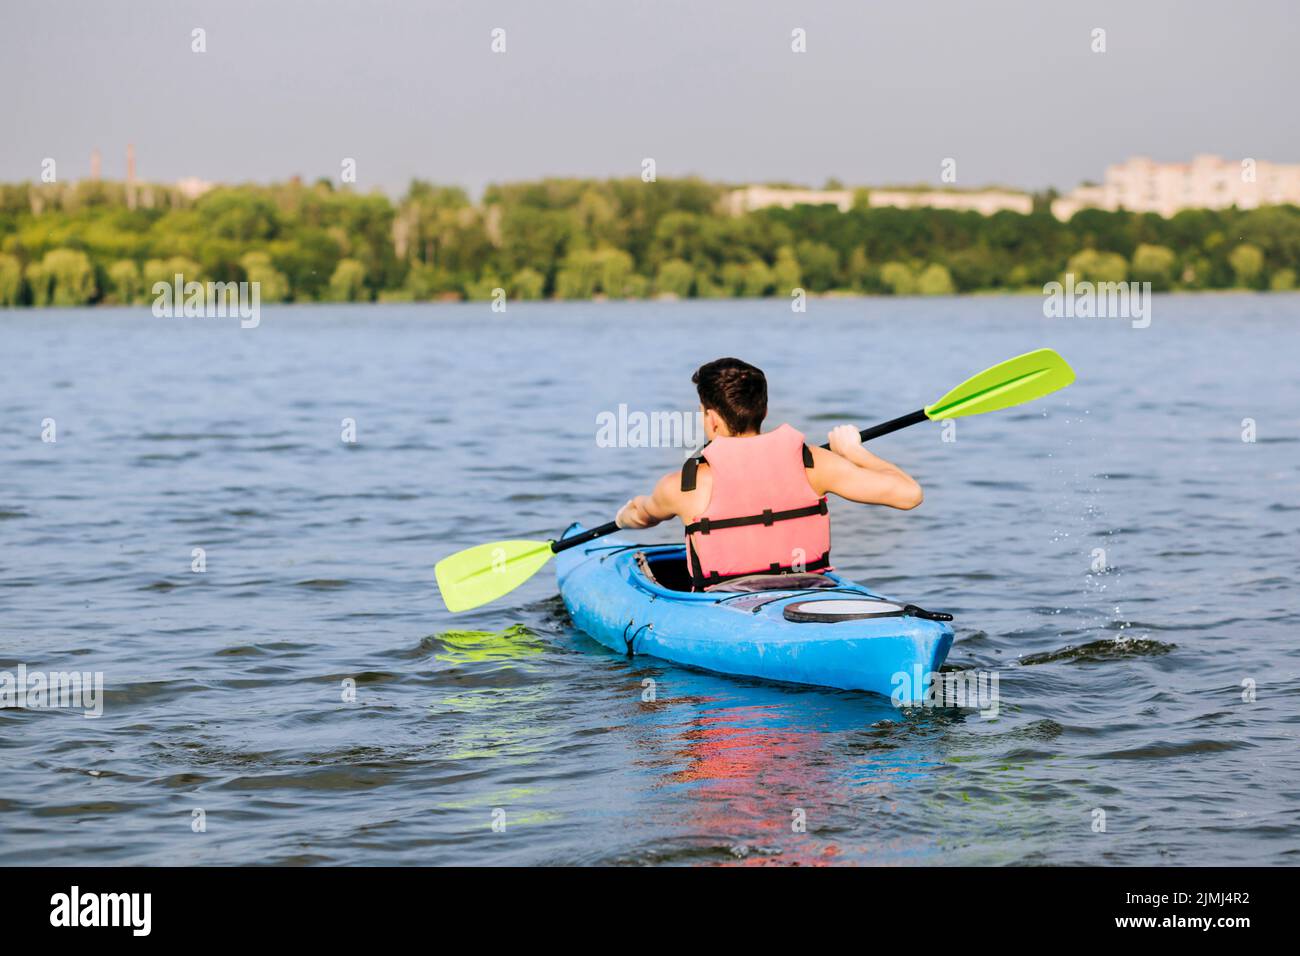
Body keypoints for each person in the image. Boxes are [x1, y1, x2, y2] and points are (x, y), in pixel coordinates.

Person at [615, 357, 924, 591]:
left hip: (726, 607)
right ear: (762, 410)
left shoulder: (685, 486)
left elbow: (643, 515)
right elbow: (910, 495)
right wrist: (855, 451)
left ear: (711, 419)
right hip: (811, 592)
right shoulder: (813, 463)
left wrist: (624, 516)